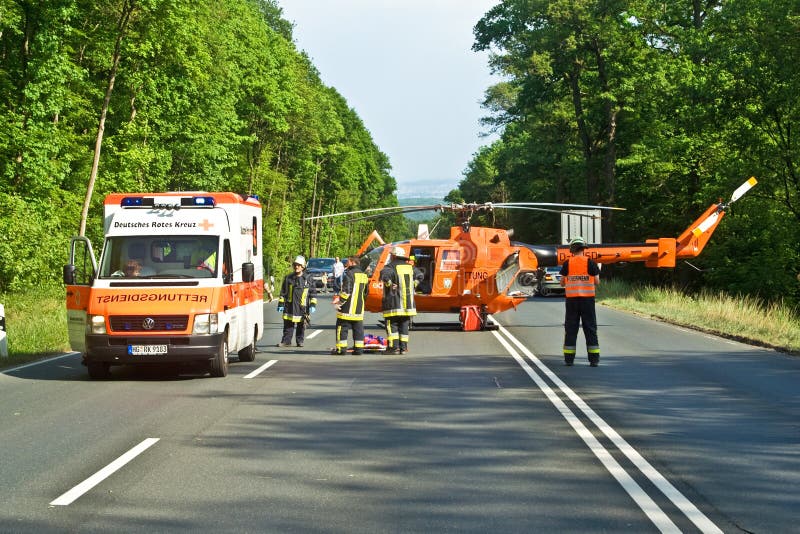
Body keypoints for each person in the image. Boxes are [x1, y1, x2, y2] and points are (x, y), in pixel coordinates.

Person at [559, 237, 601, 366]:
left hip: (572, 302)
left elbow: (562, 283)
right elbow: (597, 282)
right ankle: (594, 360)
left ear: (572, 249)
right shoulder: (591, 262)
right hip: (587, 301)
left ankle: (569, 360)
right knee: (590, 328)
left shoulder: (567, 263)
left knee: (571, 329)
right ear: (584, 249)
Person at [380, 246, 417, 354]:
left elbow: (384, 275)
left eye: (391, 255)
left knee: (392, 325)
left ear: (394, 255)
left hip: (393, 303)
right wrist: (413, 285)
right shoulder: (410, 267)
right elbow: (420, 275)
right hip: (408, 305)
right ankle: (403, 348)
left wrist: (390, 285)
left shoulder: (390, 266)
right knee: (404, 325)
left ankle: (393, 348)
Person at [331, 256, 369, 355]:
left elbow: (346, 291)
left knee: (342, 328)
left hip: (347, 309)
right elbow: (366, 293)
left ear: (352, 262)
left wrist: (339, 303)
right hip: (358, 309)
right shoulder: (364, 275)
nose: (346, 263)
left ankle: (341, 349)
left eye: (347, 261)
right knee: (358, 330)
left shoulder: (349, 274)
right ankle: (359, 350)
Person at [277, 255, 317, 347]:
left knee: (301, 325)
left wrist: (312, 305)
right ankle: (286, 341)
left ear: (303, 267)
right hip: (289, 307)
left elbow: (313, 293)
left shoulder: (308, 279)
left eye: (298, 265)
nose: (296, 267)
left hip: (302, 307)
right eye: (295, 265)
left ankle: (300, 341)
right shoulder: (288, 278)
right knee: (288, 325)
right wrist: (281, 304)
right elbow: (283, 292)